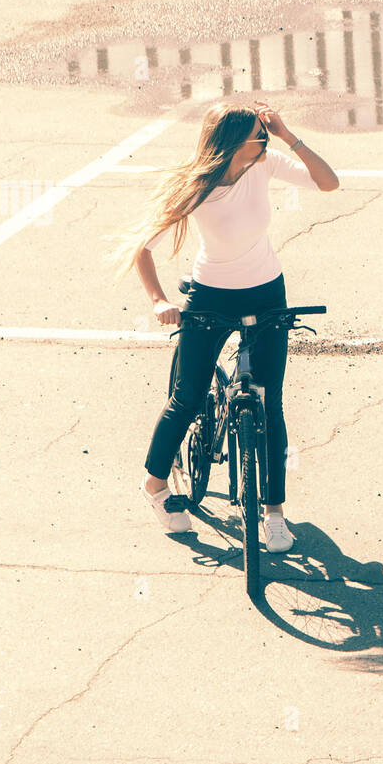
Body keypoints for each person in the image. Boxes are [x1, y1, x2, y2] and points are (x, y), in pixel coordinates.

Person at [107, 100, 339, 549]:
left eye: (266, 134)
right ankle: (154, 488)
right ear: (235, 142)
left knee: (270, 404)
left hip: (268, 292)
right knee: (188, 398)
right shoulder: (197, 187)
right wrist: (159, 301)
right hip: (210, 297)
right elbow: (143, 249)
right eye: (260, 134)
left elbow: (328, 183)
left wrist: (288, 135)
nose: (265, 139)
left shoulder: (265, 163)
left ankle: (273, 514)